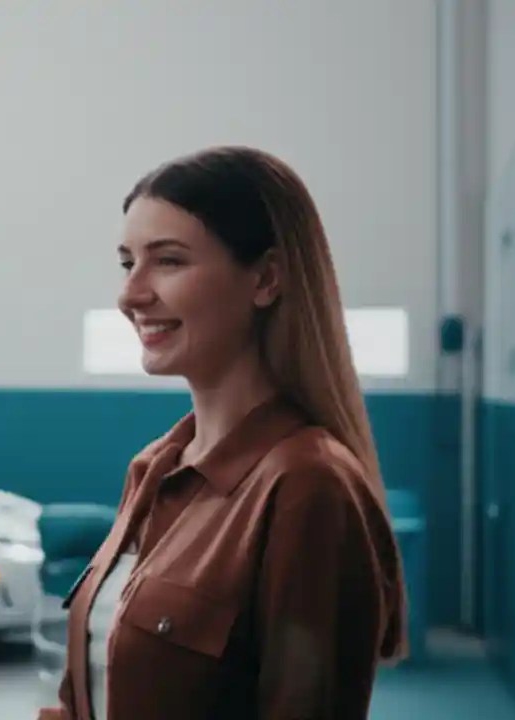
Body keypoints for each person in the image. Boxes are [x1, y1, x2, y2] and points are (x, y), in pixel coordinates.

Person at [38, 146, 408, 720]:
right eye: (126, 262)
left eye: (168, 261)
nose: (130, 294)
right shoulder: (155, 468)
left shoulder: (308, 485)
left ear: (265, 278)